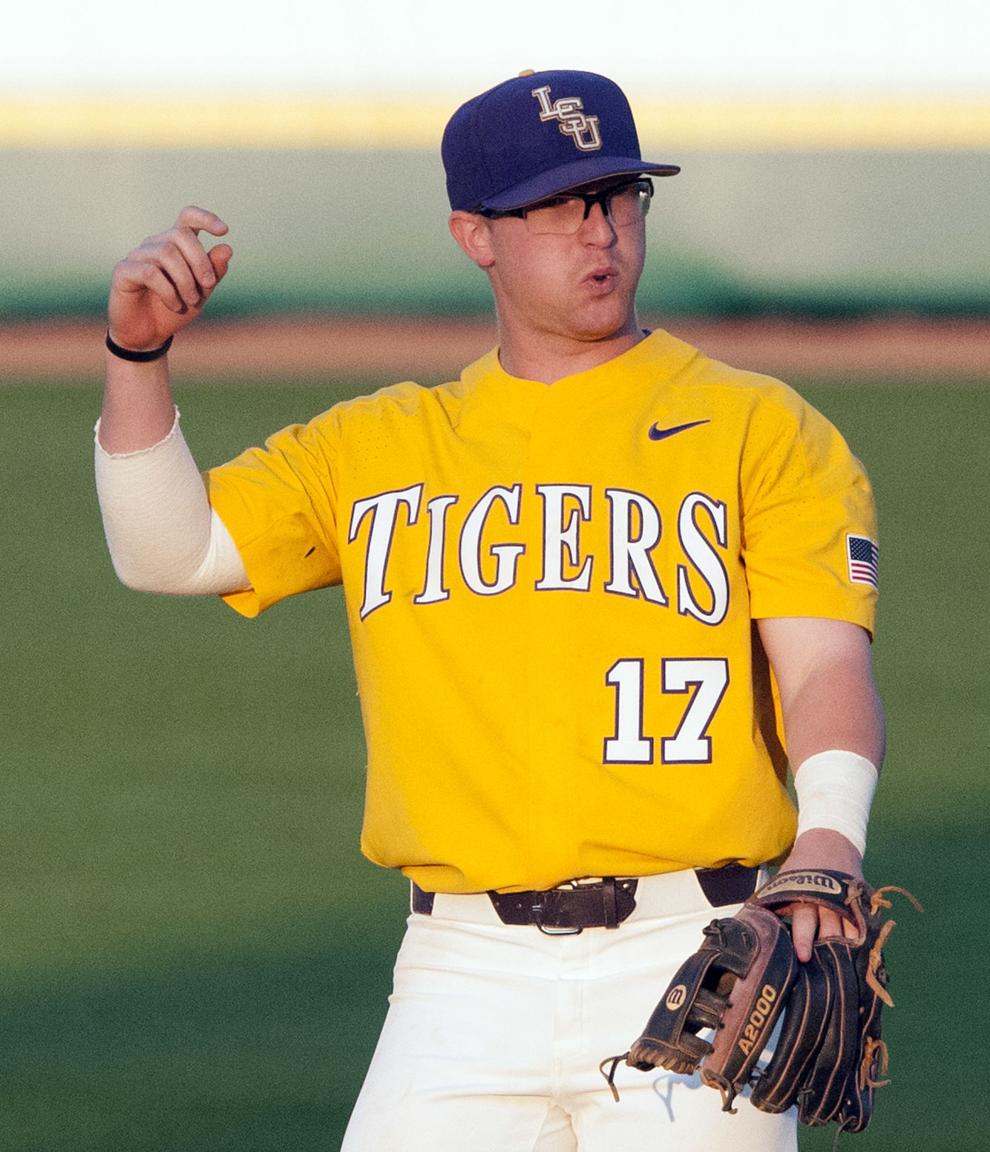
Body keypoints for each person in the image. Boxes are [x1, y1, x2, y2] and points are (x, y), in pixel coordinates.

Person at [95, 69, 884, 1152]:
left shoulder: (760, 427)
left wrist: (831, 834)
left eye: (618, 195)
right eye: (558, 206)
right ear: (476, 235)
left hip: (693, 954)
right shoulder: (381, 446)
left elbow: (825, 664)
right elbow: (168, 551)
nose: (599, 230)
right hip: (457, 975)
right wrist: (138, 357)